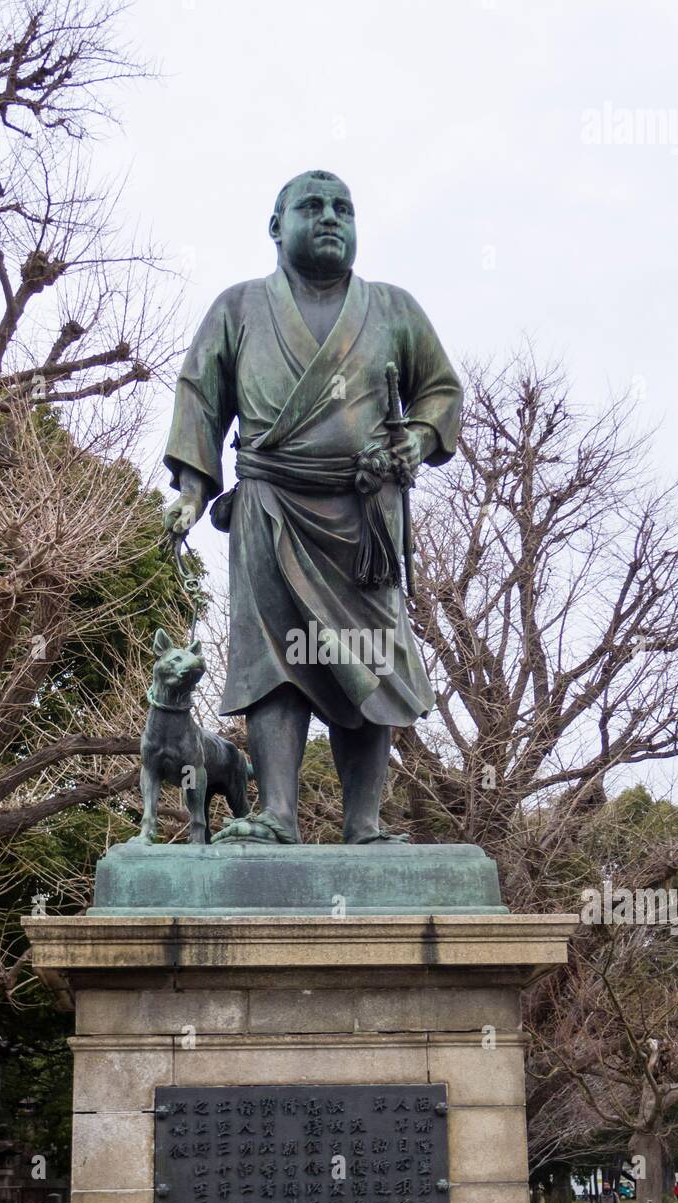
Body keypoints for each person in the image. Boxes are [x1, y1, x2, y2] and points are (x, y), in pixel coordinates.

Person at [162, 170, 462, 846]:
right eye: (311, 206)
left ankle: (364, 824)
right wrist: (189, 492)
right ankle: (276, 815)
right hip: (269, 504)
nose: (329, 217)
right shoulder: (238, 307)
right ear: (276, 225)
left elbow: (440, 392)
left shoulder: (392, 309)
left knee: (370, 660)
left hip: (364, 513)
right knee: (274, 659)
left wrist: (414, 438)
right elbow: (199, 398)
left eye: (343, 208)